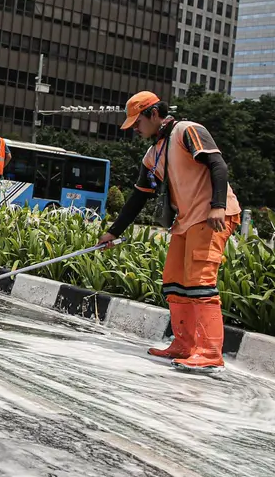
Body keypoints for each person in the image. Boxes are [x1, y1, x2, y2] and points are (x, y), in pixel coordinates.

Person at [98, 91, 242, 370]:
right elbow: (138, 196)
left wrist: (218, 206)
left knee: (200, 281)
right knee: (174, 281)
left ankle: (210, 352)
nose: (136, 130)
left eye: (137, 123)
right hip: (186, 221)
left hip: (211, 216)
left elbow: (218, 165)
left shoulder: (187, 131)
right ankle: (184, 344)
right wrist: (113, 232)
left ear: (153, 113)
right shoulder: (154, 154)